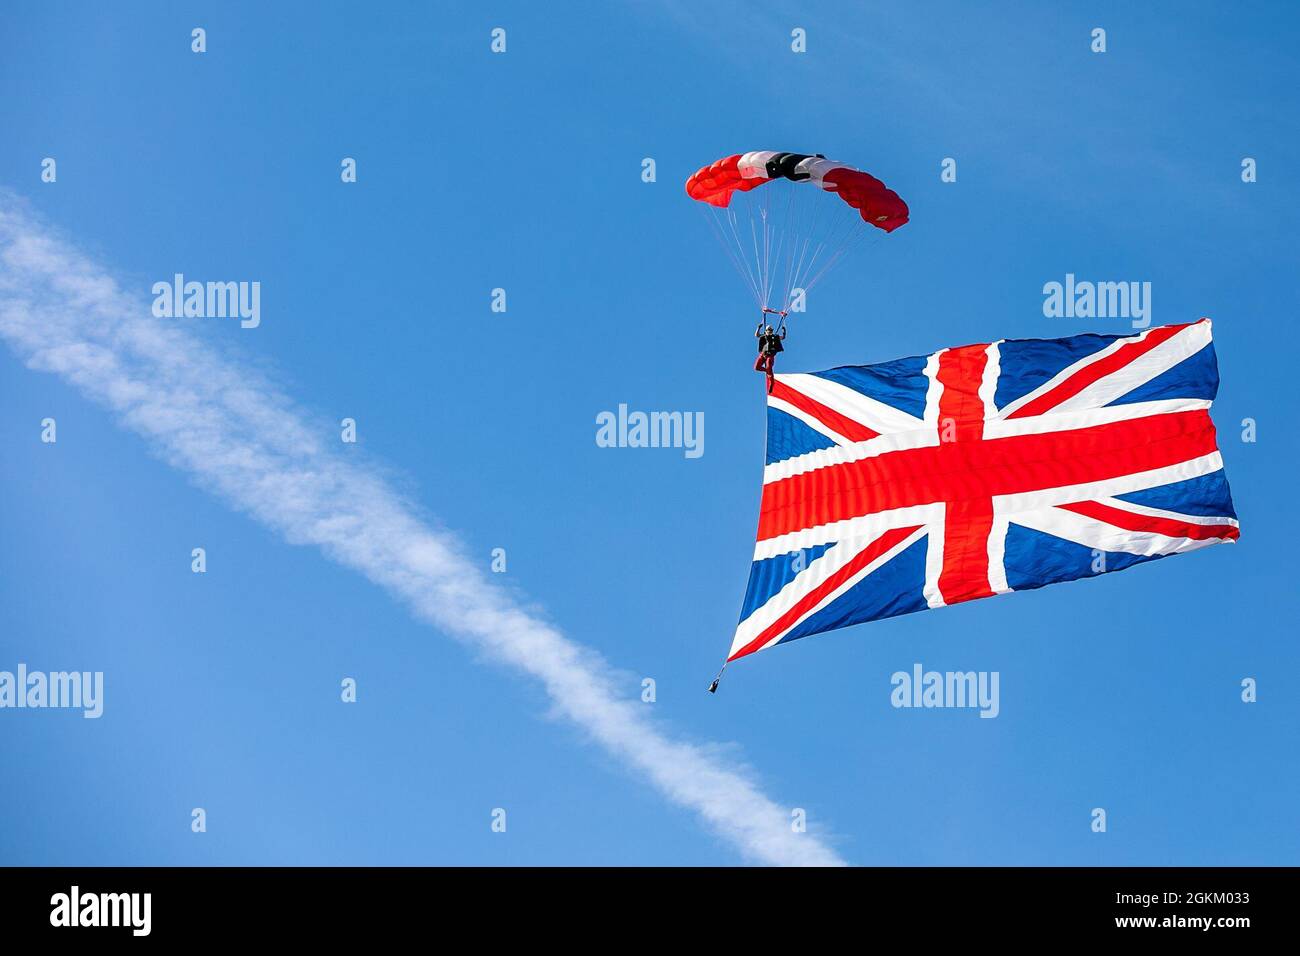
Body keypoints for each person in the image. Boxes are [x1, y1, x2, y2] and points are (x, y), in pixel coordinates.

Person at [754, 320, 786, 392]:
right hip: (763, 355)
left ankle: (771, 384)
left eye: (771, 330)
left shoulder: (775, 337)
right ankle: (767, 371)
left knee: (769, 366)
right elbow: (756, 335)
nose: (770, 331)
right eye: (768, 330)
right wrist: (758, 328)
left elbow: (782, 337)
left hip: (770, 356)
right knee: (756, 367)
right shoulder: (763, 336)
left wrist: (784, 331)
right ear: (766, 330)